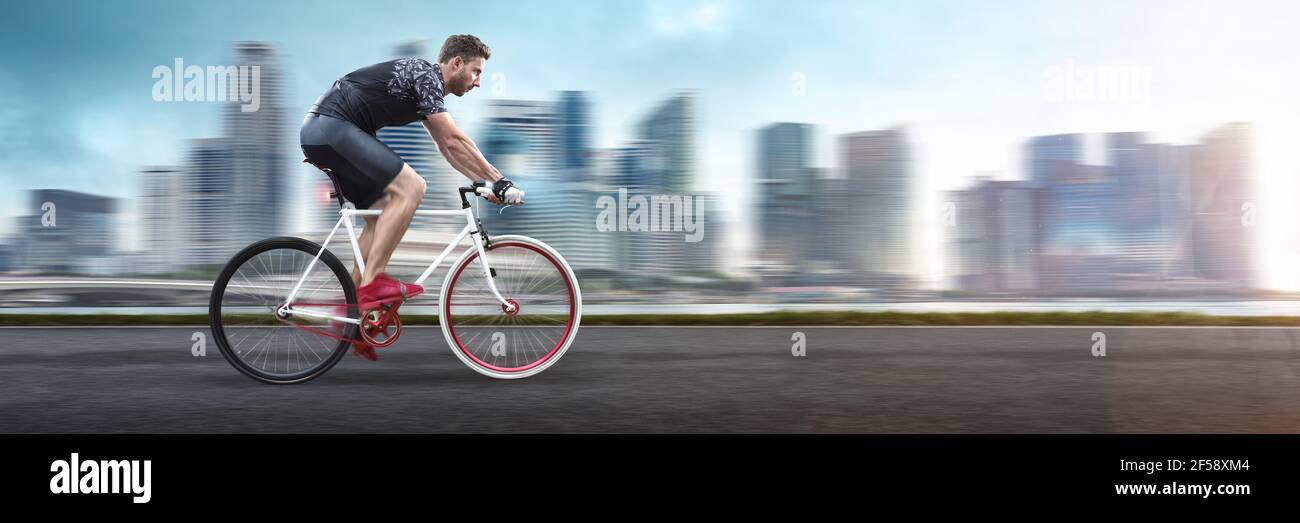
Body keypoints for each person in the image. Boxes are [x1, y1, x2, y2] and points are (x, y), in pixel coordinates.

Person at [300, 34, 523, 360]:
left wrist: (482, 181)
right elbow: (454, 137)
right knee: (413, 187)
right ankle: (371, 289)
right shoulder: (424, 75)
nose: (478, 83)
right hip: (332, 128)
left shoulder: (426, 89)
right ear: (456, 63)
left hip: (326, 132)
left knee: (380, 212)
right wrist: (499, 180)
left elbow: (447, 146)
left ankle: (350, 316)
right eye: (476, 72)